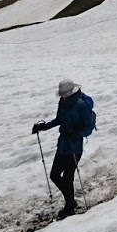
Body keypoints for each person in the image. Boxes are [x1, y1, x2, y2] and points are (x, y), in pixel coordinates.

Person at [33, 80, 92, 218]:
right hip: (63, 145)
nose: (63, 97)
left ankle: (70, 207)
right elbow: (59, 119)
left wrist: (76, 133)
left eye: (65, 94)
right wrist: (44, 127)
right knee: (54, 175)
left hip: (75, 147)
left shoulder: (81, 105)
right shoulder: (63, 102)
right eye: (62, 94)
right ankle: (70, 201)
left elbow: (88, 127)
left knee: (67, 177)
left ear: (71, 92)